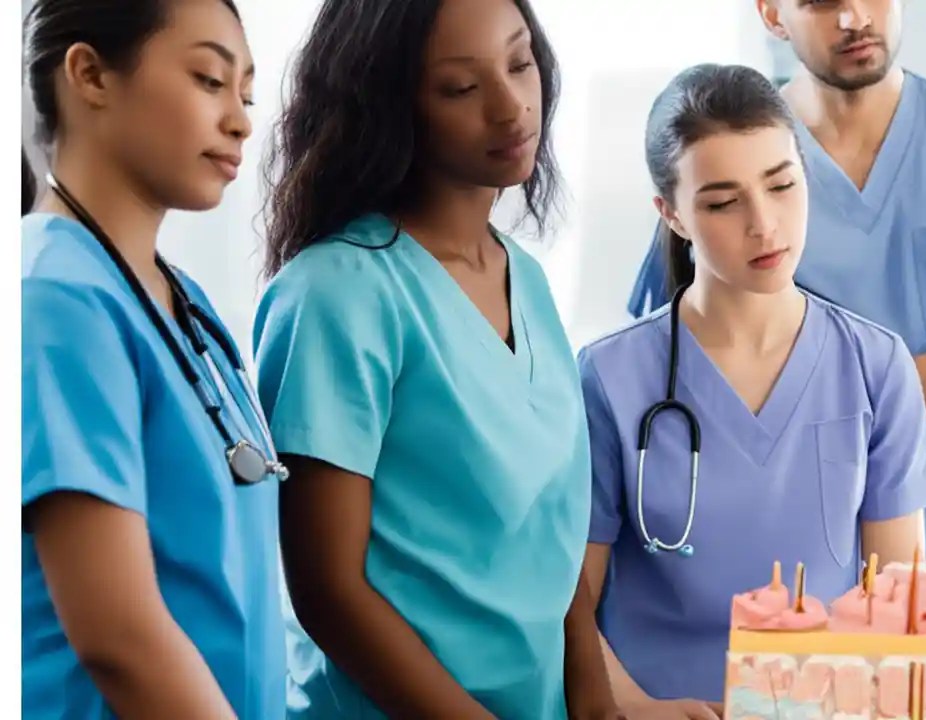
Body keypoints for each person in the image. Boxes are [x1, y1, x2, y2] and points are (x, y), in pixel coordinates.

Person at [627, 2, 926, 717]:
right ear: (771, 13)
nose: (852, 15)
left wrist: (821, 391)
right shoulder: (738, 158)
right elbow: (687, 380)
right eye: (818, 0)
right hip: (792, 569)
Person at [253, 0, 616, 718]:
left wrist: (598, 705)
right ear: (390, 108)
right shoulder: (338, 293)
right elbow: (327, 590)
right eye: (460, 87)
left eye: (520, 63)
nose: (512, 107)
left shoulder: (527, 279)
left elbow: (550, 534)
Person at [580, 63, 926, 716]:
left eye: (782, 186)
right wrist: (632, 707)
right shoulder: (609, 379)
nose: (765, 225)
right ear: (672, 214)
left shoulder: (874, 366)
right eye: (723, 202)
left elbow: (898, 613)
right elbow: (566, 601)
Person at [21, 1, 286, 718]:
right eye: (209, 79)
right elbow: (121, 637)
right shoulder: (54, 298)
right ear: (90, 75)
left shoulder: (182, 303)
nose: (241, 120)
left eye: (247, 94)